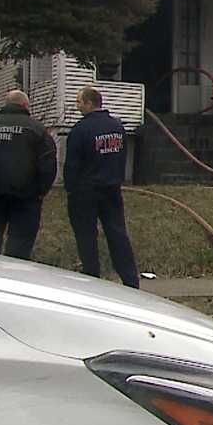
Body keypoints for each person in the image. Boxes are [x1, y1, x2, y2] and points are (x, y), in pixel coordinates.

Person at [0, 90, 58, 259]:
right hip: (27, 197)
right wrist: (40, 191)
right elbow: (48, 165)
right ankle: (15, 276)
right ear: (25, 105)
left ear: (6, 104)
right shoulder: (37, 130)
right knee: (20, 243)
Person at [64, 86, 140, 288]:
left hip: (85, 192)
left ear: (89, 103)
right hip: (112, 189)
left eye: (79, 101)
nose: (77, 105)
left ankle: (92, 279)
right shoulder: (117, 127)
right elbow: (122, 157)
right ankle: (130, 279)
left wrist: (70, 188)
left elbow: (72, 164)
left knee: (86, 236)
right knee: (117, 233)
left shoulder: (80, 130)